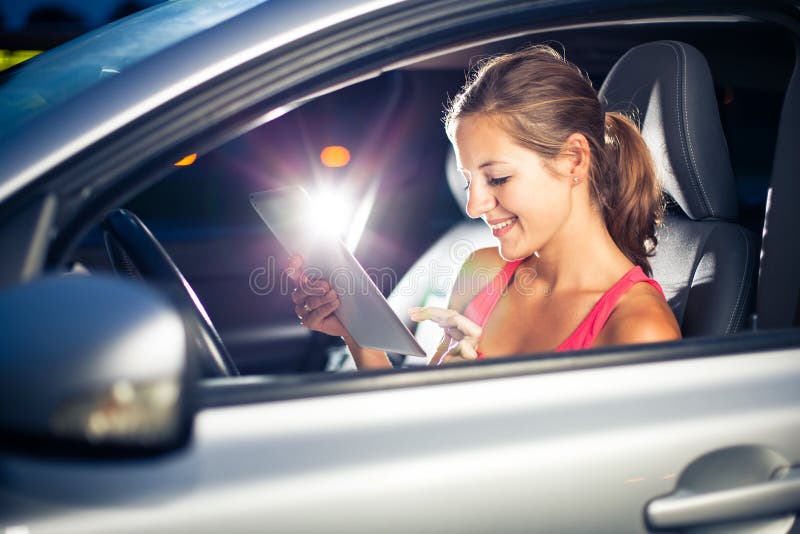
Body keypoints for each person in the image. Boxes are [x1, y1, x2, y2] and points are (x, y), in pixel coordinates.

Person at [287, 45, 681, 369]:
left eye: (497, 179)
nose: (475, 206)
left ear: (574, 160)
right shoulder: (482, 270)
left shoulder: (638, 328)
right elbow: (416, 432)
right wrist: (358, 333)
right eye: (468, 181)